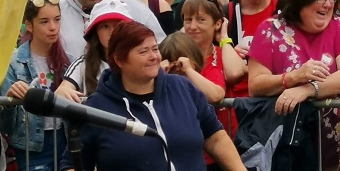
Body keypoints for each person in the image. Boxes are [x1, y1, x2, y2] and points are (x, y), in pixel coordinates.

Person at [59, 21, 245, 171]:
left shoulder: (183, 88)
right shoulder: (97, 108)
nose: (154, 56)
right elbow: (71, 164)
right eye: (143, 51)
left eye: (155, 49)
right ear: (119, 59)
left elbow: (215, 137)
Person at [247, 0, 340, 169]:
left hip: (332, 143)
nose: (327, 4)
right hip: (284, 146)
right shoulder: (270, 29)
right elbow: (255, 84)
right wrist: (292, 78)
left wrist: (306, 90)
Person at [1, 0, 71, 171]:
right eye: (44, 22)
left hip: (65, 138)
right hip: (31, 142)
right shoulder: (14, 61)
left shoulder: (67, 60)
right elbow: (5, 123)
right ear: (29, 25)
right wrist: (9, 100)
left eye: (57, 19)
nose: (53, 27)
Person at [56, 0, 133, 101]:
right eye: (105, 27)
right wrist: (63, 91)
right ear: (95, 33)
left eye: (118, 26)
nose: (112, 32)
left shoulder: (140, 60)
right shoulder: (83, 64)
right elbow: (62, 90)